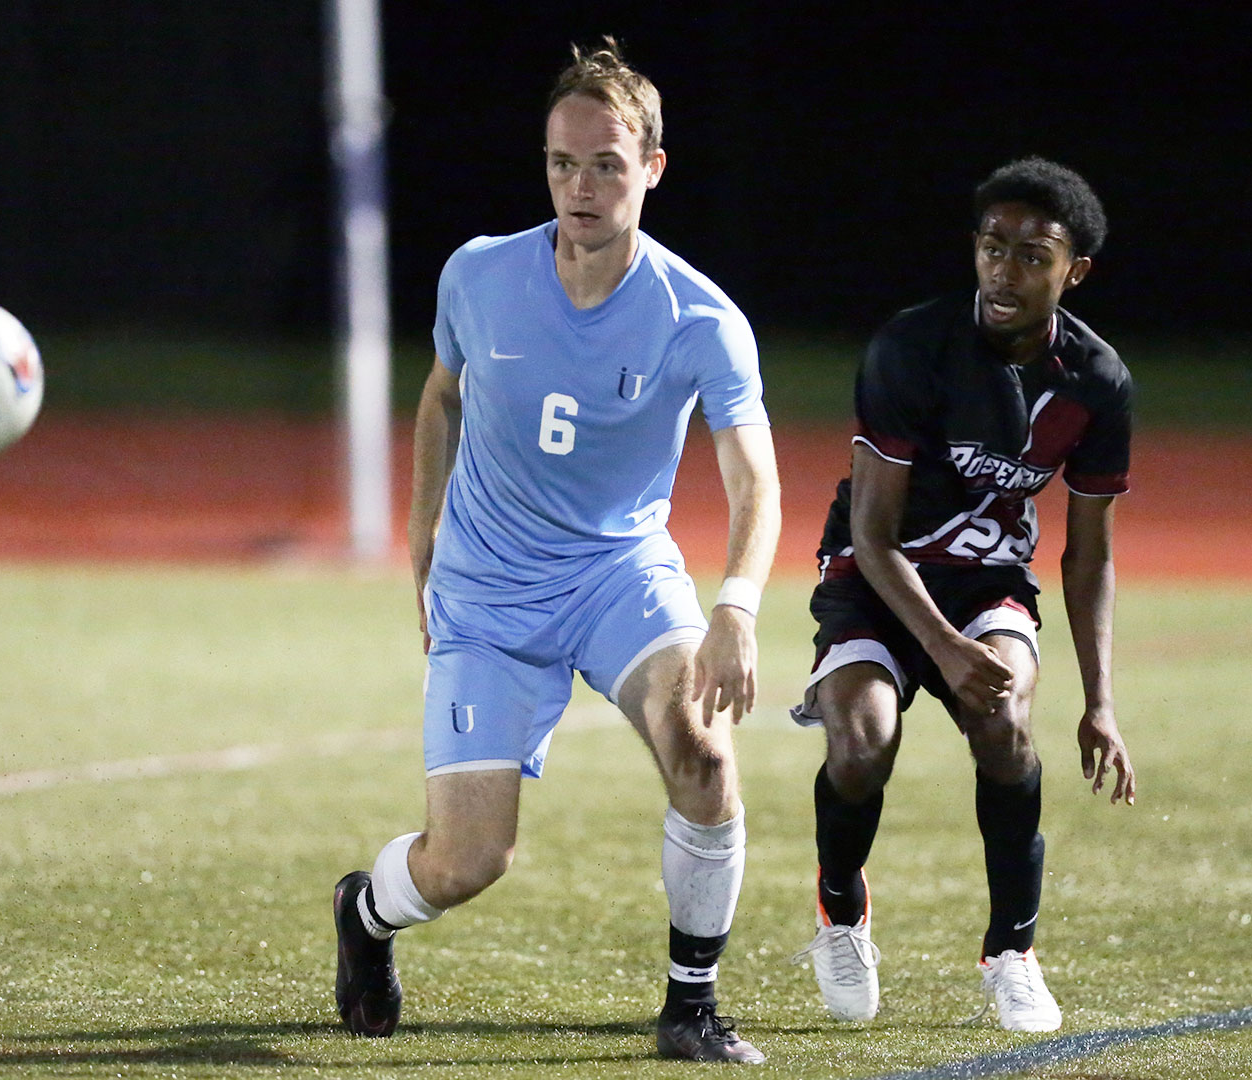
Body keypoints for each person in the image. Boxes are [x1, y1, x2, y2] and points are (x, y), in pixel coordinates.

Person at [331, 39, 780, 1065]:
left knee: (704, 751)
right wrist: (421, 538)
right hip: (487, 591)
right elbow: (442, 397)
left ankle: (693, 1005)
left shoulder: (698, 317)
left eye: (607, 165)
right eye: (562, 164)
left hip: (619, 575)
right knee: (468, 861)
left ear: (653, 168)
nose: (581, 187)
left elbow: (756, 480)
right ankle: (368, 913)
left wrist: (737, 605)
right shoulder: (480, 274)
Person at [788, 157, 1136, 1033]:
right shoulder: (913, 346)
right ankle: (840, 910)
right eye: (992, 247)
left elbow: (1088, 555)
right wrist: (942, 647)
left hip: (988, 585)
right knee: (864, 743)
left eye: (1031, 255)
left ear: (1074, 270)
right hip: (873, 578)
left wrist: (1100, 703)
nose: (1004, 270)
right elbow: (871, 533)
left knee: (1006, 720)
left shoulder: (1097, 383)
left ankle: (1012, 951)